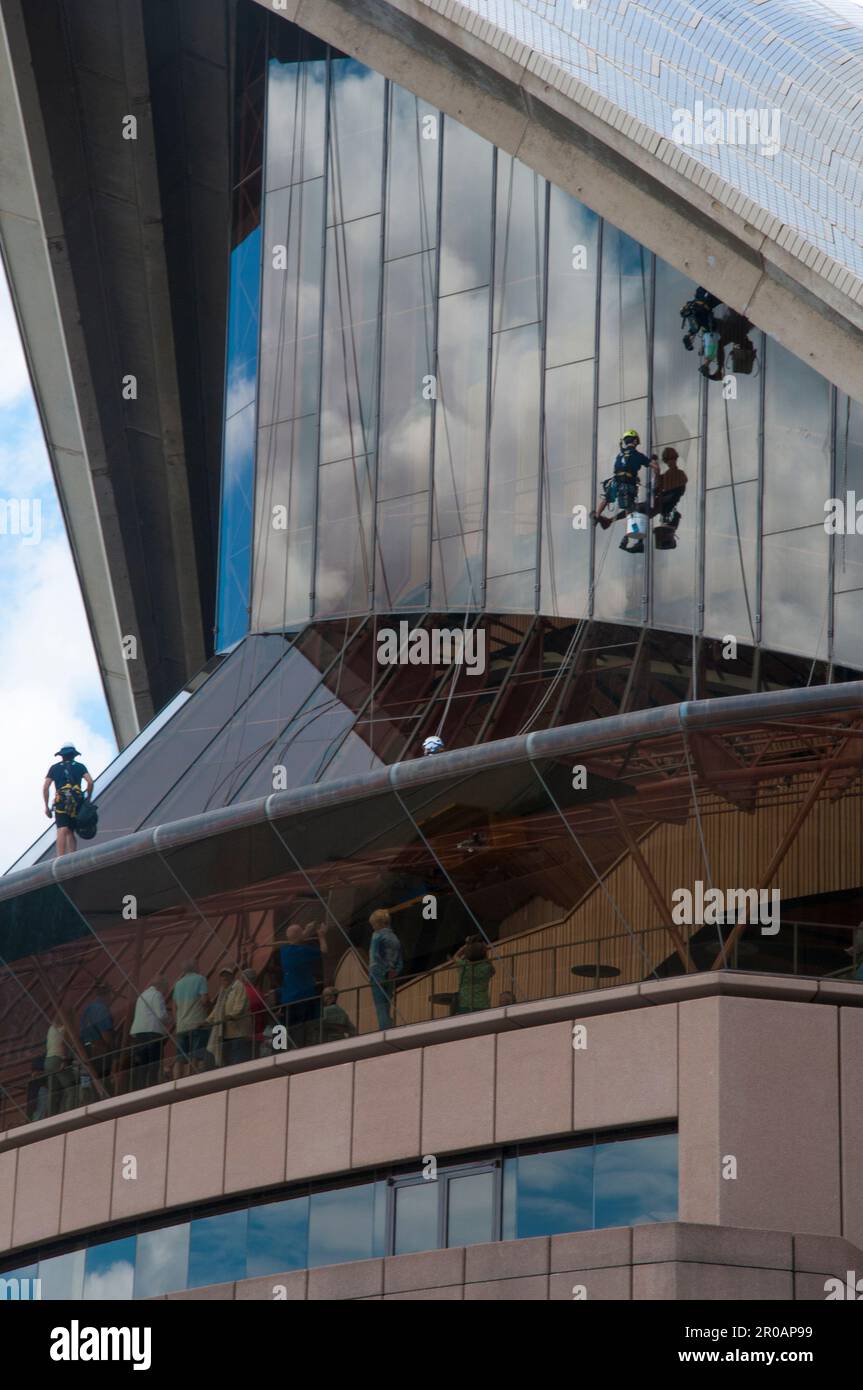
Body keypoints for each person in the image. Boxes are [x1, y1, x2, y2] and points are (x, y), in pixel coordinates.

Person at [592, 430, 658, 552]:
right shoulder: (638, 456)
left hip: (616, 481)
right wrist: (656, 474)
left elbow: (623, 467)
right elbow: (654, 467)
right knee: (630, 510)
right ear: (635, 441)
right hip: (627, 484)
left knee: (607, 498)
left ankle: (596, 516)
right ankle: (628, 538)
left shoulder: (620, 454)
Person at [278, 921, 327, 1044]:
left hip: (288, 1000)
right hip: (304, 997)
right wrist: (321, 936)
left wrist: (305, 931)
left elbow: (296, 940)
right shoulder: (302, 951)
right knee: (304, 1032)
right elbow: (324, 952)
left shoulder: (284, 952)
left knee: (288, 1030)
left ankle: (281, 1050)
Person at [43, 744, 93, 857]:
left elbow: (46, 787)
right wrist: (88, 799)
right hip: (76, 801)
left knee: (62, 828)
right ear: (74, 755)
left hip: (61, 801)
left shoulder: (54, 768)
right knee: (70, 830)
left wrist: (46, 807)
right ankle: (72, 858)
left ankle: (60, 858)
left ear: (61, 756)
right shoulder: (80, 766)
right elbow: (90, 782)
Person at [129, 977, 169, 1090]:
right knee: (154, 1063)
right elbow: (161, 1015)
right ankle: (152, 1086)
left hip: (139, 1033)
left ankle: (140, 1087)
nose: (165, 993)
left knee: (143, 1064)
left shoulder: (142, 995)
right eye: (165, 989)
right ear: (161, 987)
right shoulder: (157, 995)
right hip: (153, 1032)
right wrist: (170, 1019)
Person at [171, 960, 210, 1077]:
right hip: (197, 1023)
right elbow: (204, 1000)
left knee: (180, 1058)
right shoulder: (200, 979)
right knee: (196, 1056)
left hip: (182, 1026)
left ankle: (176, 1081)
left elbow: (174, 1006)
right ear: (196, 968)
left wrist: (178, 1020)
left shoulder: (178, 984)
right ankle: (192, 1078)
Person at [368, 908, 404, 1030]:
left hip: (377, 974)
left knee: (380, 1007)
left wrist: (383, 970)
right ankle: (389, 1027)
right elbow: (400, 961)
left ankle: (384, 1030)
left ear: (378, 923)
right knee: (387, 1005)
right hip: (391, 975)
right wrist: (393, 971)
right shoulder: (395, 938)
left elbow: (376, 955)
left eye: (373, 924)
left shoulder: (377, 936)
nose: (373, 927)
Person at [79, 982, 115, 1091]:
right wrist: (111, 1049)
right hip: (100, 1052)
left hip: (87, 1050)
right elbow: (106, 1033)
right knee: (104, 1081)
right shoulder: (102, 1009)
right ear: (107, 994)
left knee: (91, 1085)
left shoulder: (87, 1010)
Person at [651, 447, 688, 546]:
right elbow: (658, 485)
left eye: (672, 459)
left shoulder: (679, 474)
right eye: (669, 460)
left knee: (668, 514)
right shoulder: (669, 476)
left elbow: (678, 490)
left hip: (668, 502)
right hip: (667, 503)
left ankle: (667, 535)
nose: (671, 462)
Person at [451, 936, 495, 1014]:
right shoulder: (486, 967)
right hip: (482, 1004)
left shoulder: (464, 965)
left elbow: (455, 956)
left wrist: (466, 945)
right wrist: (484, 951)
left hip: (465, 1004)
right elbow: (493, 971)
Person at [44, 1017, 75, 1115]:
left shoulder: (51, 1028)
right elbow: (66, 1045)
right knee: (72, 1088)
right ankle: (70, 1112)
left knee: (52, 1091)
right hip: (58, 1059)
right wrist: (64, 1060)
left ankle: (50, 1115)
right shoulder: (65, 1029)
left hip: (48, 1060)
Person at [205, 967, 235, 1068]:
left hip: (231, 1026)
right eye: (222, 978)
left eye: (226, 978)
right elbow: (217, 1008)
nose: (224, 980)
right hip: (221, 1027)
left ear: (231, 978)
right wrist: (208, 1020)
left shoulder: (235, 989)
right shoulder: (222, 991)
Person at [681, 285, 721, 351]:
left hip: (709, 301)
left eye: (691, 341)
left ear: (690, 339)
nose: (693, 341)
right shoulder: (692, 321)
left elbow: (713, 327)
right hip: (703, 298)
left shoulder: (695, 326)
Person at [242, 967, 269, 1058]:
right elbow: (265, 1016)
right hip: (256, 1035)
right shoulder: (259, 994)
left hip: (241, 1035)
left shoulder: (238, 993)